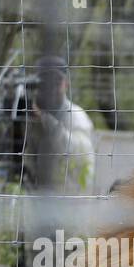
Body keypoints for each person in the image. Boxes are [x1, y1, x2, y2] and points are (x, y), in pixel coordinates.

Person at [31, 56, 96, 194]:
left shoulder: (77, 116)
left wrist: (45, 120)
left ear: (66, 84)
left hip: (69, 203)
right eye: (44, 83)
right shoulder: (30, 113)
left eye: (56, 82)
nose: (51, 88)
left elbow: (75, 153)